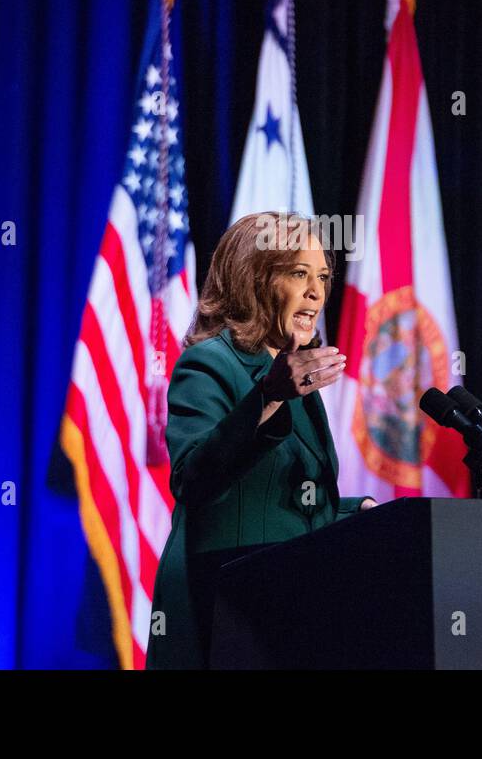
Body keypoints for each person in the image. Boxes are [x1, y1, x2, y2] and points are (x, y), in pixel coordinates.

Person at [145, 212, 377, 669]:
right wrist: (268, 396)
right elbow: (194, 480)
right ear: (254, 279)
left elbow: (281, 503)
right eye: (298, 274)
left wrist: (358, 514)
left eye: (323, 277)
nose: (317, 291)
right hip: (224, 608)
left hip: (289, 611)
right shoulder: (210, 364)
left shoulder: (296, 380)